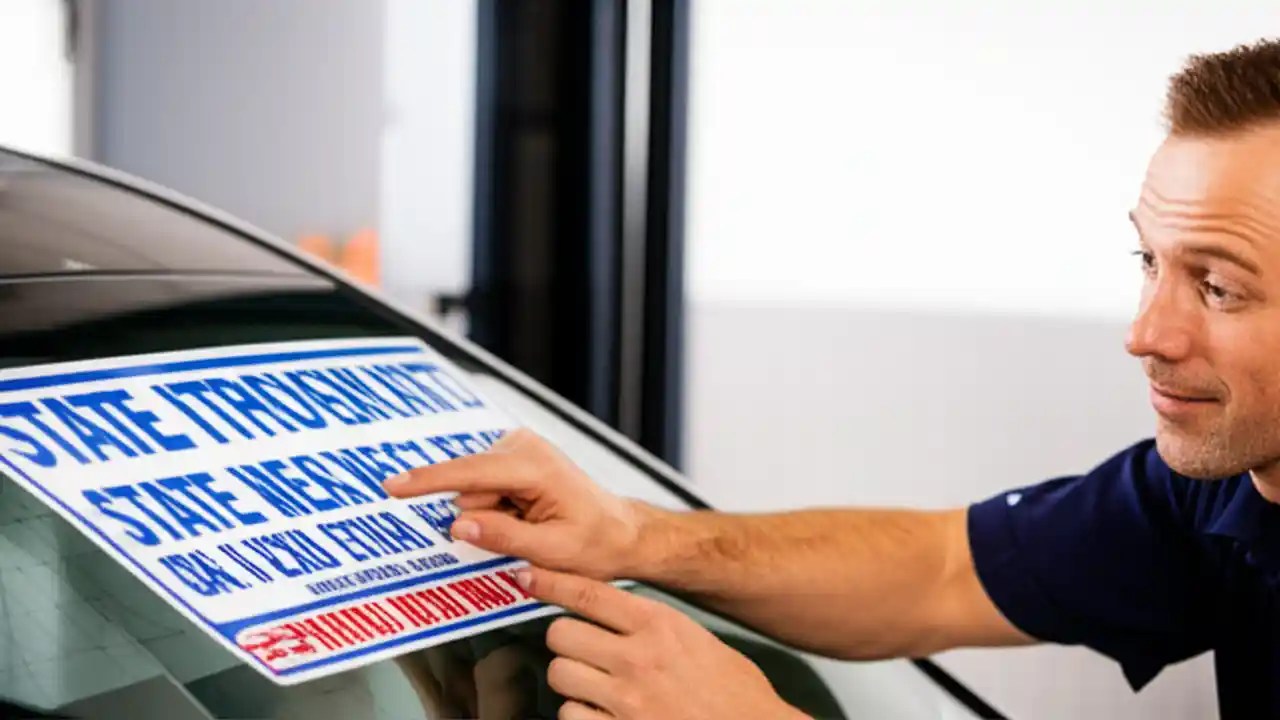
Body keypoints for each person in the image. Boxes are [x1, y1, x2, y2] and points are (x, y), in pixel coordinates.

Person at [385, 39, 1280, 719]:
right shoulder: (1215, 491)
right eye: (1147, 262)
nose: (1146, 333)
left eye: (1218, 287)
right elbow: (943, 572)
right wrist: (636, 537)